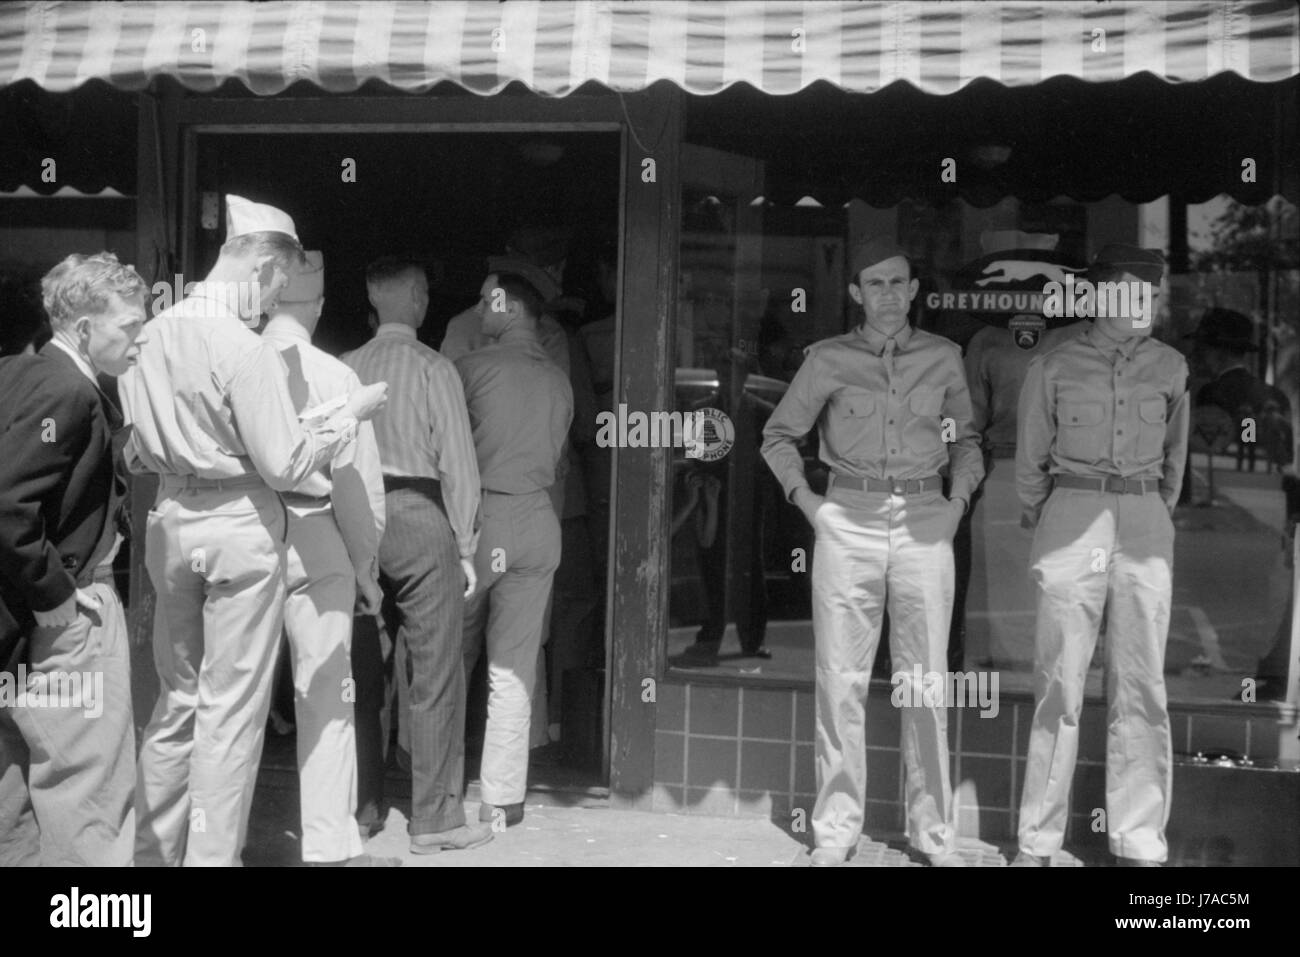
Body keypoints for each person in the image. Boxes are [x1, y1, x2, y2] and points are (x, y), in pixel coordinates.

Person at [122, 195, 388, 867]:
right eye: (276, 283)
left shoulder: (153, 333)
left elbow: (135, 450)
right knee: (230, 716)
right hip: (240, 524)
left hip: (170, 520)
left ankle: (152, 858)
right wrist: (346, 416)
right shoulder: (242, 348)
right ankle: (212, 860)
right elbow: (287, 462)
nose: (274, 301)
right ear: (265, 266)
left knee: (175, 703)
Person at [761, 236, 984, 867]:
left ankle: (933, 834)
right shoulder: (828, 358)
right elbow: (778, 436)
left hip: (924, 517)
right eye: (875, 284)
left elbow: (966, 440)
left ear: (914, 291)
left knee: (926, 684)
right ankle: (835, 832)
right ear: (856, 293)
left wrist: (956, 505)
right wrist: (811, 505)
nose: (888, 294)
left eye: (899, 282)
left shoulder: (944, 358)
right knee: (840, 680)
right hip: (848, 516)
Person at [1012, 245, 1188, 867]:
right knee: (1059, 683)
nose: (1148, 304)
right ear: (1102, 297)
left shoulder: (1170, 367)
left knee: (1142, 685)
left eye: (1153, 294)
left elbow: (1175, 462)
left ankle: (1139, 841)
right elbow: (1029, 460)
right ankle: (1037, 840)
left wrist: (1150, 512)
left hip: (1143, 519)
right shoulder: (1056, 363)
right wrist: (1051, 513)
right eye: (1136, 293)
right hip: (1073, 516)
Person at [0, 253, 147, 866]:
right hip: (64, 618)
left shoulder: (16, 372)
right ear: (84, 328)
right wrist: (55, 592)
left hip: (17, 625)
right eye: (130, 328)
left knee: (13, 788)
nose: (140, 341)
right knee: (90, 790)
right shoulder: (68, 389)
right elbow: (9, 503)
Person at [344, 256, 492, 855]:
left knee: (362, 674)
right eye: (426, 291)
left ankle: (359, 811)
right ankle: (435, 820)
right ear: (415, 297)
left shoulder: (345, 366)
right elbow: (459, 465)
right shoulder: (436, 368)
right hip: (422, 512)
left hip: (357, 517)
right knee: (435, 672)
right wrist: (466, 546)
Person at [259, 252, 397, 867]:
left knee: (231, 701)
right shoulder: (336, 376)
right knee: (327, 698)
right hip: (314, 535)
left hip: (241, 528)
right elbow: (355, 488)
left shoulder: (231, 362)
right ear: (315, 308)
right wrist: (367, 571)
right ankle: (330, 847)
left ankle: (213, 846)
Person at [456, 271, 573, 828]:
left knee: (447, 655)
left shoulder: (473, 369)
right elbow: (561, 460)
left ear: (508, 305)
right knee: (514, 665)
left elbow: (446, 453)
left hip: (484, 518)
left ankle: (434, 778)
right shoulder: (558, 380)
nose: (478, 309)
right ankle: (503, 797)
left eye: (485, 300)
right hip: (539, 519)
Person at [1186, 307, 1292, 473]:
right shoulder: (1277, 396)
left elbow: (1205, 449)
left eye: (1203, 348)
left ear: (1221, 352)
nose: (1196, 355)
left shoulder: (1211, 394)